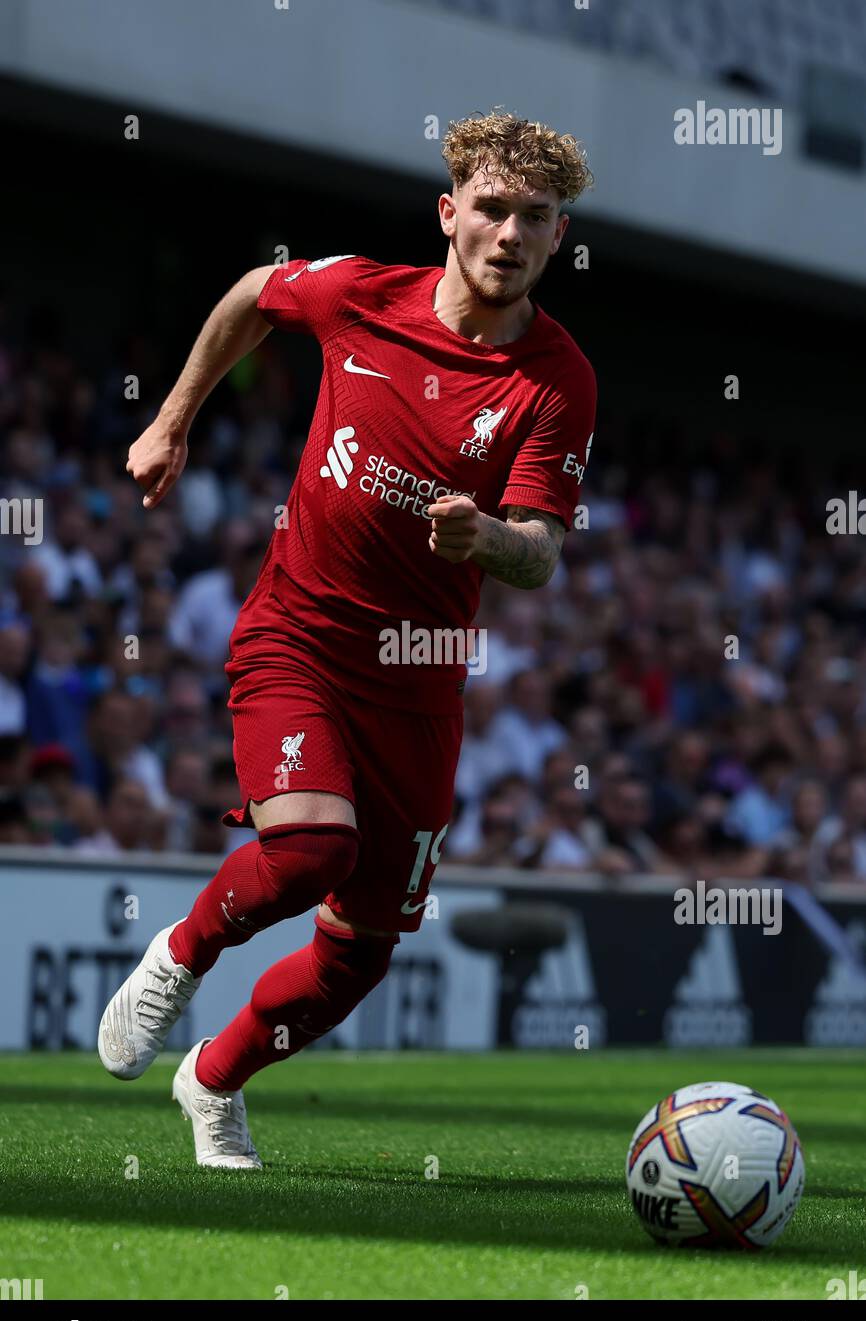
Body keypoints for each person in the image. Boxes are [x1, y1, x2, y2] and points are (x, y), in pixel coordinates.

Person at [98, 110, 596, 1168]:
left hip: (419, 687)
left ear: (559, 237)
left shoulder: (557, 380)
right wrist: (173, 419)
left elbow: (543, 551)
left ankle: (214, 1079)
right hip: (299, 636)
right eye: (493, 208)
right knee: (313, 844)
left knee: (362, 952)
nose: (509, 233)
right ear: (449, 210)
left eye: (535, 218)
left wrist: (487, 536)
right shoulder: (359, 294)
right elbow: (249, 297)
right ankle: (180, 954)